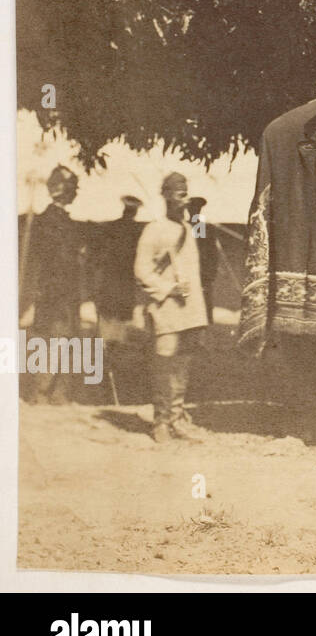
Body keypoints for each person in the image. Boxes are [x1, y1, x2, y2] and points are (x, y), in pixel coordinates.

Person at [134, 173, 208, 443]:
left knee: (183, 364)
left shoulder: (190, 229)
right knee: (164, 361)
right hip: (166, 307)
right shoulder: (153, 229)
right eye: (179, 194)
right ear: (165, 195)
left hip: (190, 308)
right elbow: (141, 270)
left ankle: (176, 418)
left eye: (186, 193)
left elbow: (204, 243)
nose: (184, 199)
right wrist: (167, 289)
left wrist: (198, 214)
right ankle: (160, 421)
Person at [24, 166, 89, 403]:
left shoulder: (59, 221)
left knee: (62, 339)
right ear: (63, 191)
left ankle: (55, 393)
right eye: (72, 189)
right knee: (53, 339)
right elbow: (56, 260)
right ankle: (42, 393)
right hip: (55, 292)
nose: (75, 193)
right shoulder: (50, 221)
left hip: (63, 292)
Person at [95, 194, 143, 328]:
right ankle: (113, 341)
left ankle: (112, 340)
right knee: (116, 308)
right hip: (120, 273)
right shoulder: (132, 229)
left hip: (120, 273)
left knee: (115, 308)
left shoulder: (114, 226)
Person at [187, 196, 218, 326]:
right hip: (187, 270)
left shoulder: (206, 227)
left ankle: (201, 337)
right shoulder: (183, 226)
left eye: (196, 209)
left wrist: (210, 272)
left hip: (202, 271)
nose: (194, 211)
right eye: (192, 208)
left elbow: (211, 252)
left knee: (203, 303)